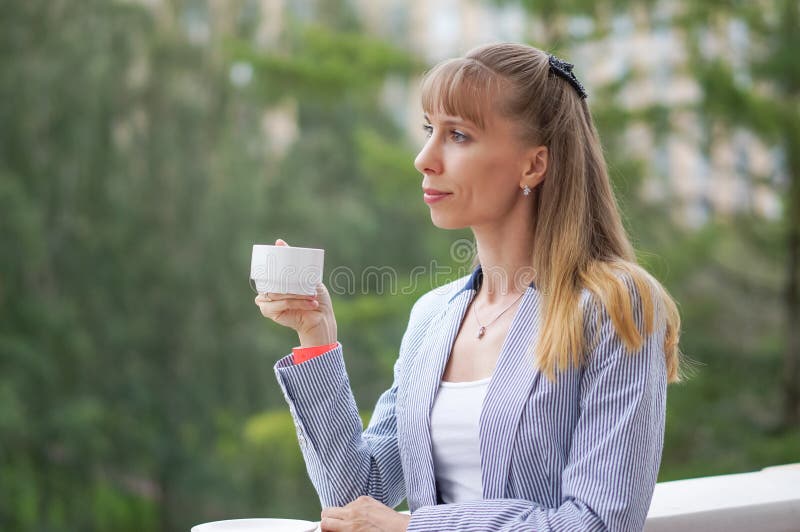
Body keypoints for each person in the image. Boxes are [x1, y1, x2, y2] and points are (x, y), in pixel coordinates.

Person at [254, 42, 682, 532]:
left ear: (533, 165)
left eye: (457, 135)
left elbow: (597, 523)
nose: (424, 159)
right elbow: (358, 494)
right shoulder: (434, 316)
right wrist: (316, 337)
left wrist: (414, 529)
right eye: (428, 130)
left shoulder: (613, 305)